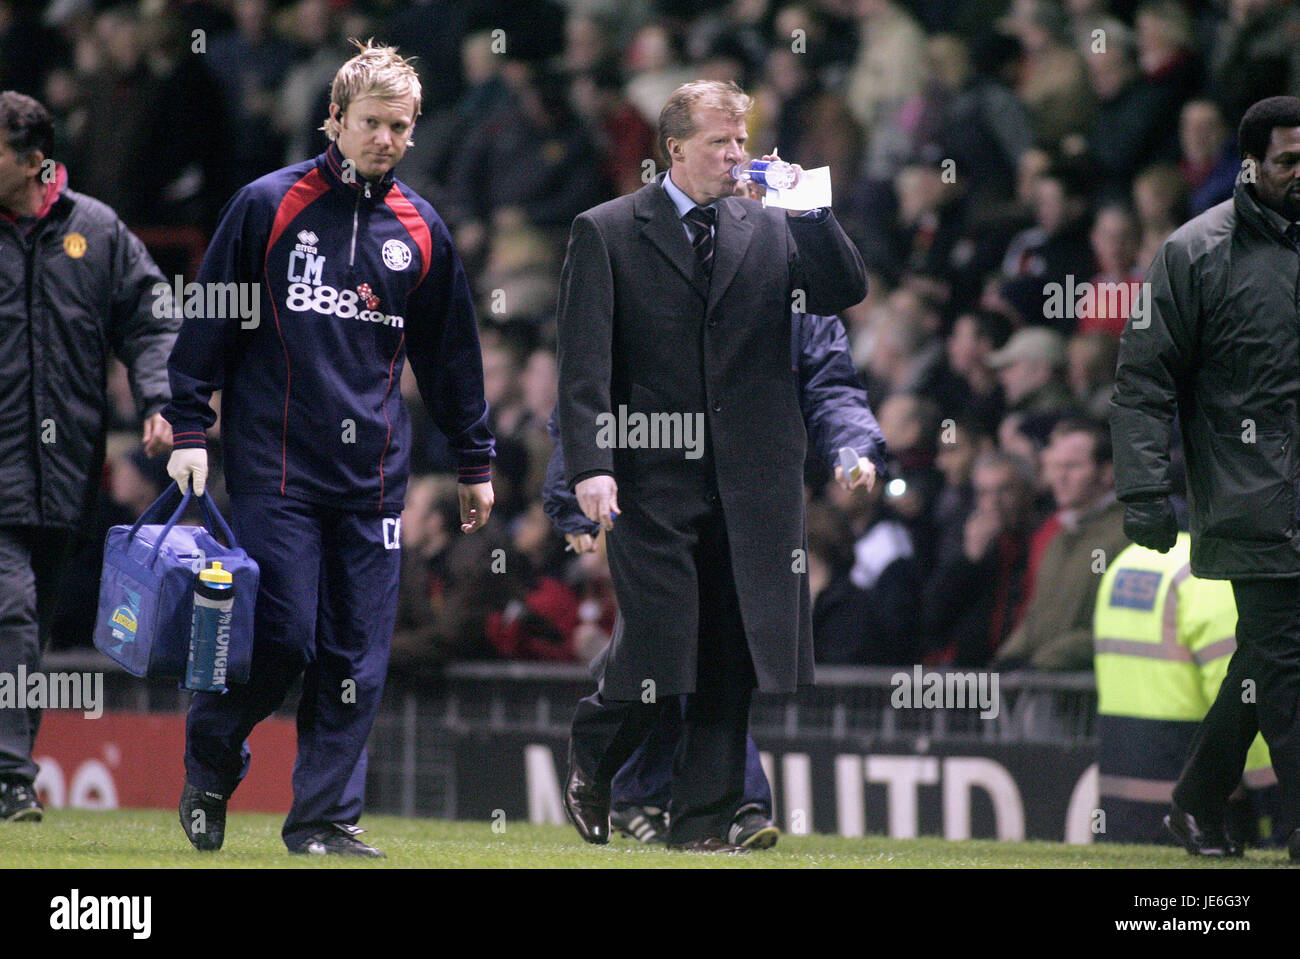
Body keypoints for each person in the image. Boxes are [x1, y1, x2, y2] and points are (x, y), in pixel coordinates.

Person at [163, 42, 494, 858]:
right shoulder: (265, 205)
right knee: (283, 635)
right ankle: (211, 758)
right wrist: (188, 423)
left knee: (356, 658)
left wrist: (474, 459)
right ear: (335, 120)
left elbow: (450, 355)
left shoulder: (422, 229)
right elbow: (209, 317)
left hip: (374, 478)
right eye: (372, 123)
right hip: (277, 467)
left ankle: (322, 821)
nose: (385, 138)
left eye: (400, 126)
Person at [555, 79, 867, 852]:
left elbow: (843, 288)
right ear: (674, 150)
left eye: (742, 140)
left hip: (755, 475)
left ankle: (702, 827)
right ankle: (595, 748)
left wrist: (814, 212)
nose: (737, 156)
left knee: (734, 653)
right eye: (720, 143)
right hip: (649, 475)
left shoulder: (770, 223)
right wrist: (588, 467)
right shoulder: (607, 229)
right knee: (662, 639)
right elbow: (583, 367)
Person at [543, 308, 887, 846]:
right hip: (655, 491)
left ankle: (714, 821)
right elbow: (589, 389)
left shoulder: (792, 288)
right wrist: (571, 493)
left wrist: (853, 446)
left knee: (725, 661)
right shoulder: (654, 266)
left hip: (751, 500)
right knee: (661, 642)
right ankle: (600, 756)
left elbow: (830, 379)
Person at [1111, 95, 1300, 860]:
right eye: (1289, 160)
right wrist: (1145, 491)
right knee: (1285, 658)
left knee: (1265, 656)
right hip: (1250, 495)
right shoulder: (1195, 253)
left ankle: (1194, 801)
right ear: (1249, 163)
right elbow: (1143, 379)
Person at [0, 91, 175, 823]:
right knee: (9, 607)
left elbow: (151, 314)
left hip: (65, 473)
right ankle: (11, 777)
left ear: (33, 161)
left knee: (26, 621)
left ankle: (8, 771)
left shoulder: (98, 232)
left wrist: (161, 398)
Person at [1093, 534, 1276, 848]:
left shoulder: (1125, 561)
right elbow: (1241, 692)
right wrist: (1272, 785)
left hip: (1122, 786)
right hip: (1190, 796)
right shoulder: (1206, 572)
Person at [993, 418, 1128, 671]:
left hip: (1086, 688)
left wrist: (1043, 664)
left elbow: (1115, 625)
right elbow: (1035, 617)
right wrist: (1008, 657)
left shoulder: (1126, 538)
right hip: (1047, 684)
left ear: (1107, 472)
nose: (1060, 477)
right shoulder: (1057, 539)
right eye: (1054, 467)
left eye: (1072, 466)